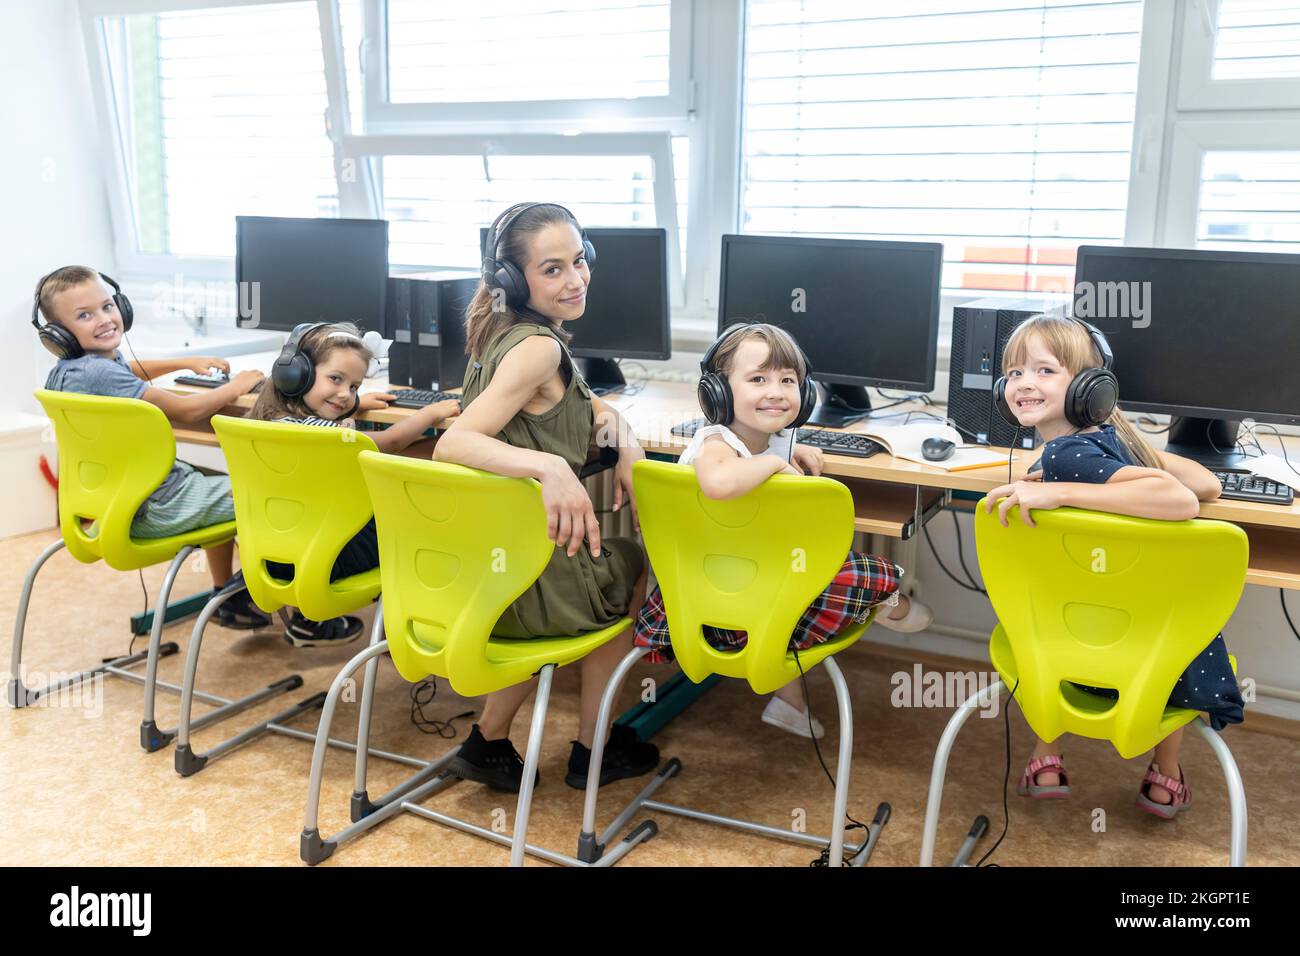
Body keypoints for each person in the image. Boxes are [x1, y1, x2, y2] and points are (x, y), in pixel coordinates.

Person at [433, 202, 658, 792]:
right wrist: (550, 466)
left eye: (579, 261)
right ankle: (594, 750)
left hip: (497, 570)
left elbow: (587, 407)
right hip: (536, 576)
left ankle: (488, 742)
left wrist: (626, 441)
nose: (576, 279)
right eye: (552, 269)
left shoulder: (498, 336)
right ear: (513, 279)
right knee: (635, 564)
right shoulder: (540, 349)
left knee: (582, 567)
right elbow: (452, 445)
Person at [985, 312, 1240, 818]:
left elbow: (1185, 498)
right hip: (1159, 651)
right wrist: (1137, 453)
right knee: (1170, 609)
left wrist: (1058, 490)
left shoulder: (1065, 459)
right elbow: (1207, 486)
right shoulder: (1091, 449)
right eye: (1014, 373)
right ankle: (1166, 775)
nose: (1023, 384)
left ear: (1089, 386)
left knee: (1043, 611)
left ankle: (1046, 755)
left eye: (1044, 370)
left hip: (1074, 643)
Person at [634, 322, 934, 739]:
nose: (775, 391)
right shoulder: (715, 442)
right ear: (717, 392)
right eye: (758, 379)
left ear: (805, 392)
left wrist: (792, 449)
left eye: (788, 380)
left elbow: (770, 453)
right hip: (720, 607)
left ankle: (790, 705)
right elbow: (719, 483)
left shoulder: (772, 439)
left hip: (741, 593)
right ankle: (889, 604)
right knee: (861, 571)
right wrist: (775, 464)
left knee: (786, 579)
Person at [36, 265, 268, 629]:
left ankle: (224, 594)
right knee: (269, 497)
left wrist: (186, 362)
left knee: (222, 477)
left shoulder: (68, 372)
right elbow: (190, 411)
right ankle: (261, 599)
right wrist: (239, 384)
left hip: (114, 505)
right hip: (158, 507)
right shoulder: (101, 373)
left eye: (108, 306)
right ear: (58, 333)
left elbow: (127, 372)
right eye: (85, 315)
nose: (104, 319)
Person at [246, 321, 460, 646]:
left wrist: (356, 404)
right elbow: (387, 442)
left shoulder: (267, 417)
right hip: (327, 562)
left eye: (354, 386)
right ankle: (409, 638)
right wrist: (430, 413)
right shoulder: (322, 432)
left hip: (273, 557)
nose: (345, 394)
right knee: (422, 524)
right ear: (296, 373)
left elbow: (321, 421)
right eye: (336, 379)